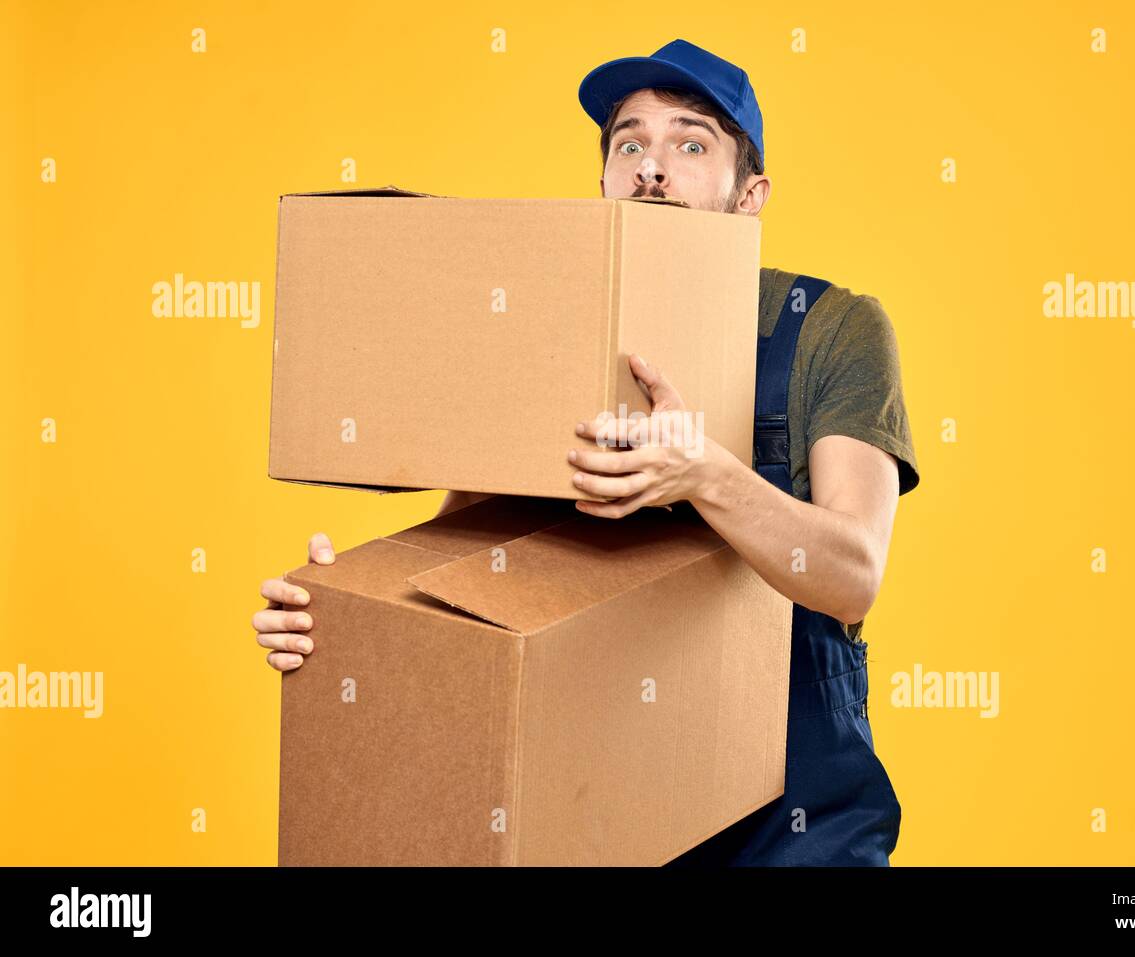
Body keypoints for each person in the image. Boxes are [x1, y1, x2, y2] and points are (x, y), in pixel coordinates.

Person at [253, 38, 920, 867]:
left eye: (690, 143)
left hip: (800, 820)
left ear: (749, 196)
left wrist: (704, 473)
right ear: (602, 181)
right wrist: (353, 609)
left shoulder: (831, 328)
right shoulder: (544, 324)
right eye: (628, 143)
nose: (651, 166)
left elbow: (852, 572)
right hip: (606, 799)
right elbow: (472, 550)